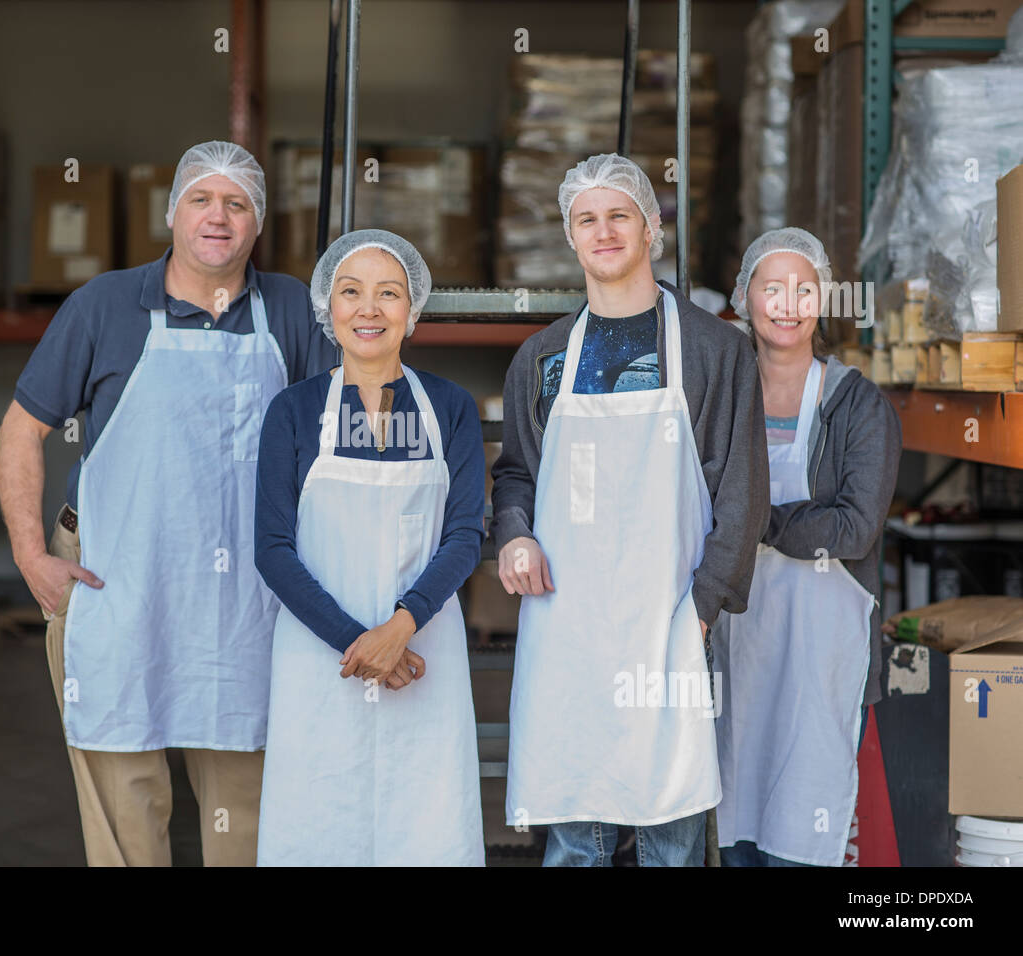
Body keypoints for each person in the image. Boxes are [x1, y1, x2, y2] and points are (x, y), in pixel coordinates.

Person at [0, 141, 337, 866]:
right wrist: (31, 554)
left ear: (258, 222)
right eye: (201, 200)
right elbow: (20, 432)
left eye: (237, 203)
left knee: (244, 802)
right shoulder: (105, 305)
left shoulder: (293, 311)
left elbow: (336, 442)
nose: (219, 217)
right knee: (125, 788)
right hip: (118, 579)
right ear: (173, 212)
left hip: (249, 593)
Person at [493, 153, 770, 867]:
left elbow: (742, 495)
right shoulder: (543, 358)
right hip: (567, 625)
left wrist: (702, 609)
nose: (604, 230)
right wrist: (515, 539)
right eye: (587, 219)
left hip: (670, 620)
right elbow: (518, 472)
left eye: (620, 215)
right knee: (575, 837)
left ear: (652, 228)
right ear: (569, 235)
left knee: (671, 835)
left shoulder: (714, 350)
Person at [253, 229, 486, 866]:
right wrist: (364, 645)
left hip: (424, 650)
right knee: (320, 823)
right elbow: (273, 549)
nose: (370, 308)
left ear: (413, 312)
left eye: (389, 294)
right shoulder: (294, 412)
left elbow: (466, 534)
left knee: (425, 826)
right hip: (321, 663)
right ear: (328, 308)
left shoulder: (449, 408)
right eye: (351, 292)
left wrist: (401, 628)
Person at [714, 227, 901, 867]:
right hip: (733, 639)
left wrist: (746, 519)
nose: (787, 303)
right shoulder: (720, 398)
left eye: (803, 289)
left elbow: (852, 528)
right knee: (733, 813)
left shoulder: (857, 405)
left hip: (821, 649)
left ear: (822, 300)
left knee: (804, 825)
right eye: (773, 288)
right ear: (745, 299)